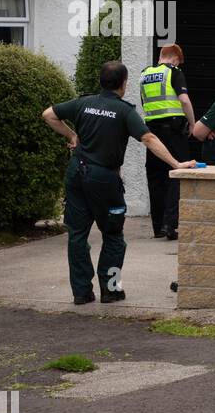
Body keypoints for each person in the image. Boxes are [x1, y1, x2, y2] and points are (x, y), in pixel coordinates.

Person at [43, 61, 197, 306]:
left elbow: (49, 115)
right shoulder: (124, 110)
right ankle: (110, 290)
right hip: (104, 179)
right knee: (113, 235)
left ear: (101, 81)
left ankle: (81, 293)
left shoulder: (83, 103)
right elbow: (148, 137)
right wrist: (175, 164)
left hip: (77, 174)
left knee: (77, 235)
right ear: (124, 84)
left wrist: (72, 135)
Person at [138, 43, 195, 240]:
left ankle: (158, 227)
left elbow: (145, 103)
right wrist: (192, 124)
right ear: (174, 58)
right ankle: (171, 225)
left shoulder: (144, 74)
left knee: (156, 178)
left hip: (152, 133)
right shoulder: (174, 72)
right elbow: (185, 101)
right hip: (174, 131)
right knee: (177, 173)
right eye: (178, 61)